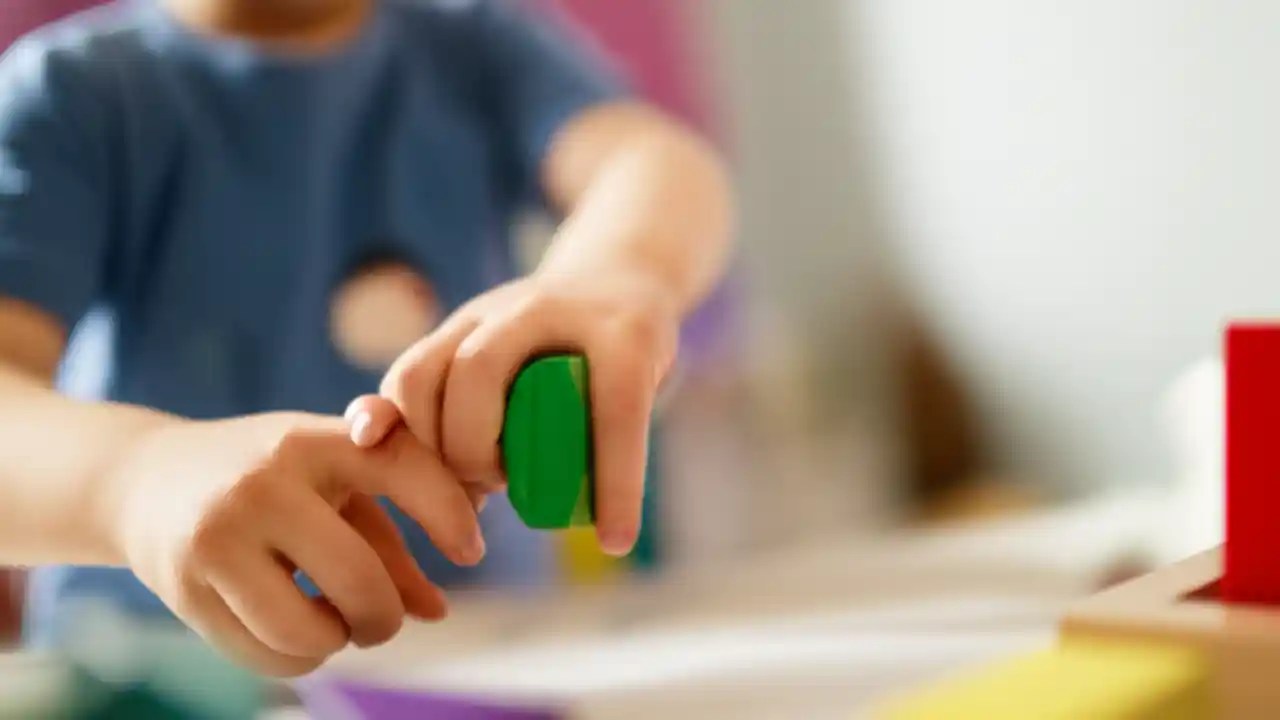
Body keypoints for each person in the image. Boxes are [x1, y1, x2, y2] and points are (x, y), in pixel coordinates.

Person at [0, 0, 732, 676]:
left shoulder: (476, 48)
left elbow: (653, 160)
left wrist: (619, 269)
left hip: (480, 655)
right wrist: (134, 481)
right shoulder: (71, 96)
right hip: (148, 673)